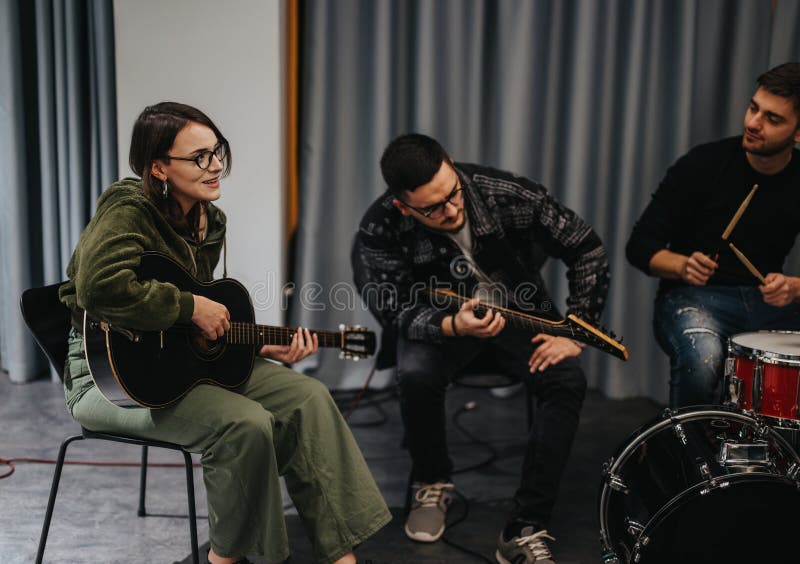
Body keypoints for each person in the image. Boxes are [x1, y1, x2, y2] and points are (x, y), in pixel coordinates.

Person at [58, 102, 391, 564]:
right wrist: (191, 307)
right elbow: (98, 288)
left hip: (171, 367)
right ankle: (227, 559)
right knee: (245, 425)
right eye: (199, 157)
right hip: (106, 378)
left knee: (307, 397)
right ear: (159, 167)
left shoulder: (210, 220)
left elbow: (190, 329)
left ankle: (341, 553)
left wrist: (256, 343)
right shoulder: (128, 206)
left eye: (218, 152)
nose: (215, 166)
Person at [351, 134, 609, 564]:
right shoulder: (380, 225)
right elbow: (392, 307)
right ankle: (431, 482)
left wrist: (575, 331)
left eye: (452, 194)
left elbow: (587, 248)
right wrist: (452, 324)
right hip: (441, 326)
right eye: (432, 209)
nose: (451, 211)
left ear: (452, 165)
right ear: (403, 206)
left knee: (565, 379)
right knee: (414, 373)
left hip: (519, 318)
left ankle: (524, 526)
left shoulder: (506, 192)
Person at [626, 62, 800, 409]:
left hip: (769, 306)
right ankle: (688, 461)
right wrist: (682, 265)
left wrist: (795, 287)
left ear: (798, 133)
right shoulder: (703, 164)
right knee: (702, 358)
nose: (753, 123)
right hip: (694, 298)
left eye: (773, 119)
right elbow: (640, 247)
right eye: (753, 108)